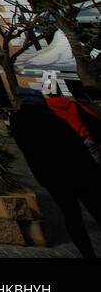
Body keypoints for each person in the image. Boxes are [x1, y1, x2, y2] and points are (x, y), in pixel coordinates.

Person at [9, 88, 101, 258]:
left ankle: (87, 253)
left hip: (51, 177)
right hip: (80, 172)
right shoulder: (54, 120)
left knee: (71, 216)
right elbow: (78, 149)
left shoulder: (17, 122)